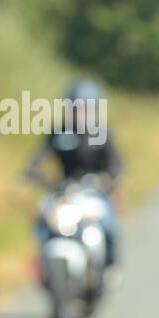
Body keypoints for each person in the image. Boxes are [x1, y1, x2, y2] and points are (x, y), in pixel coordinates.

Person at [24, 78, 124, 267]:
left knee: (110, 224)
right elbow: (39, 158)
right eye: (76, 108)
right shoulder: (59, 132)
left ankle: (110, 267)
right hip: (65, 193)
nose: (80, 113)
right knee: (43, 223)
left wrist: (110, 179)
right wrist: (31, 173)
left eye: (86, 108)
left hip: (95, 192)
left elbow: (116, 162)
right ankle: (44, 268)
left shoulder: (101, 132)